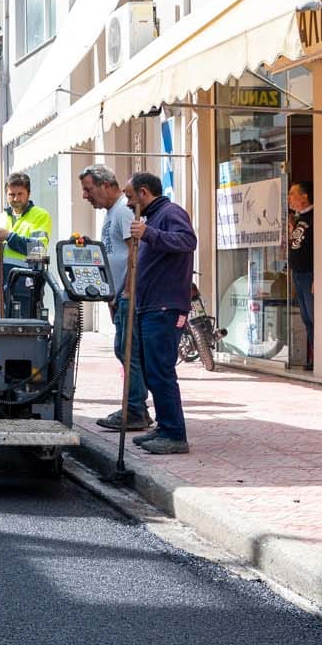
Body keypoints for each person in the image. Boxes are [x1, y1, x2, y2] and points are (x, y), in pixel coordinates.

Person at [126, 171, 197, 455]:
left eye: (130, 197)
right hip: (151, 306)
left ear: (144, 193)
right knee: (151, 370)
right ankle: (165, 426)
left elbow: (187, 241)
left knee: (160, 370)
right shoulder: (154, 217)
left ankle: (175, 434)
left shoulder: (170, 213)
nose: (128, 203)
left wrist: (149, 234)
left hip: (164, 307)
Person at [78, 165, 148, 432]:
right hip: (118, 295)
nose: (85, 195)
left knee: (128, 351)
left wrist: (128, 291)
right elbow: (115, 253)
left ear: (106, 185)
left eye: (89, 189)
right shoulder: (112, 213)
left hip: (128, 295)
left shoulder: (122, 211)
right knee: (125, 350)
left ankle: (134, 409)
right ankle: (136, 408)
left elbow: (135, 251)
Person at [0, 171, 53, 316]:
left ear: (28, 194)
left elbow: (38, 251)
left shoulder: (40, 216)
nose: (16, 198)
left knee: (22, 328)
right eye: (11, 194)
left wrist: (9, 236)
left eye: (20, 194)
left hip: (25, 286)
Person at [288, 181, 315, 368]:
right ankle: (314, 355)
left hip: (309, 274)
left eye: (293, 193)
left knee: (314, 317)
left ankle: (319, 355)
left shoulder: (314, 217)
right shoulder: (299, 218)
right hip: (298, 273)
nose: (289, 198)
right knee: (306, 318)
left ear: (305, 196)